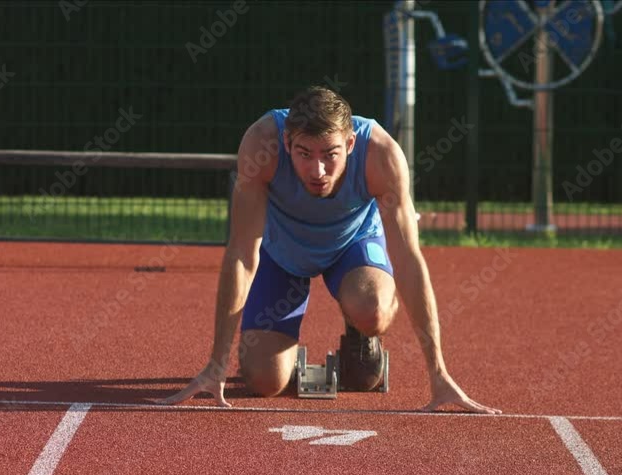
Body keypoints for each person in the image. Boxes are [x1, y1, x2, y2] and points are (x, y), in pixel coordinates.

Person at [156, 86, 500, 414]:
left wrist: (438, 374)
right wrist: (217, 363)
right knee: (264, 381)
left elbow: (409, 260)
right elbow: (242, 254)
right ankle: (284, 355)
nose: (317, 170)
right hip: (282, 253)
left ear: (350, 143)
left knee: (373, 310)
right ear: (287, 142)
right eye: (304, 154)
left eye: (330, 154)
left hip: (353, 245)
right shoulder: (262, 143)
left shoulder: (381, 153)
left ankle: (360, 328)